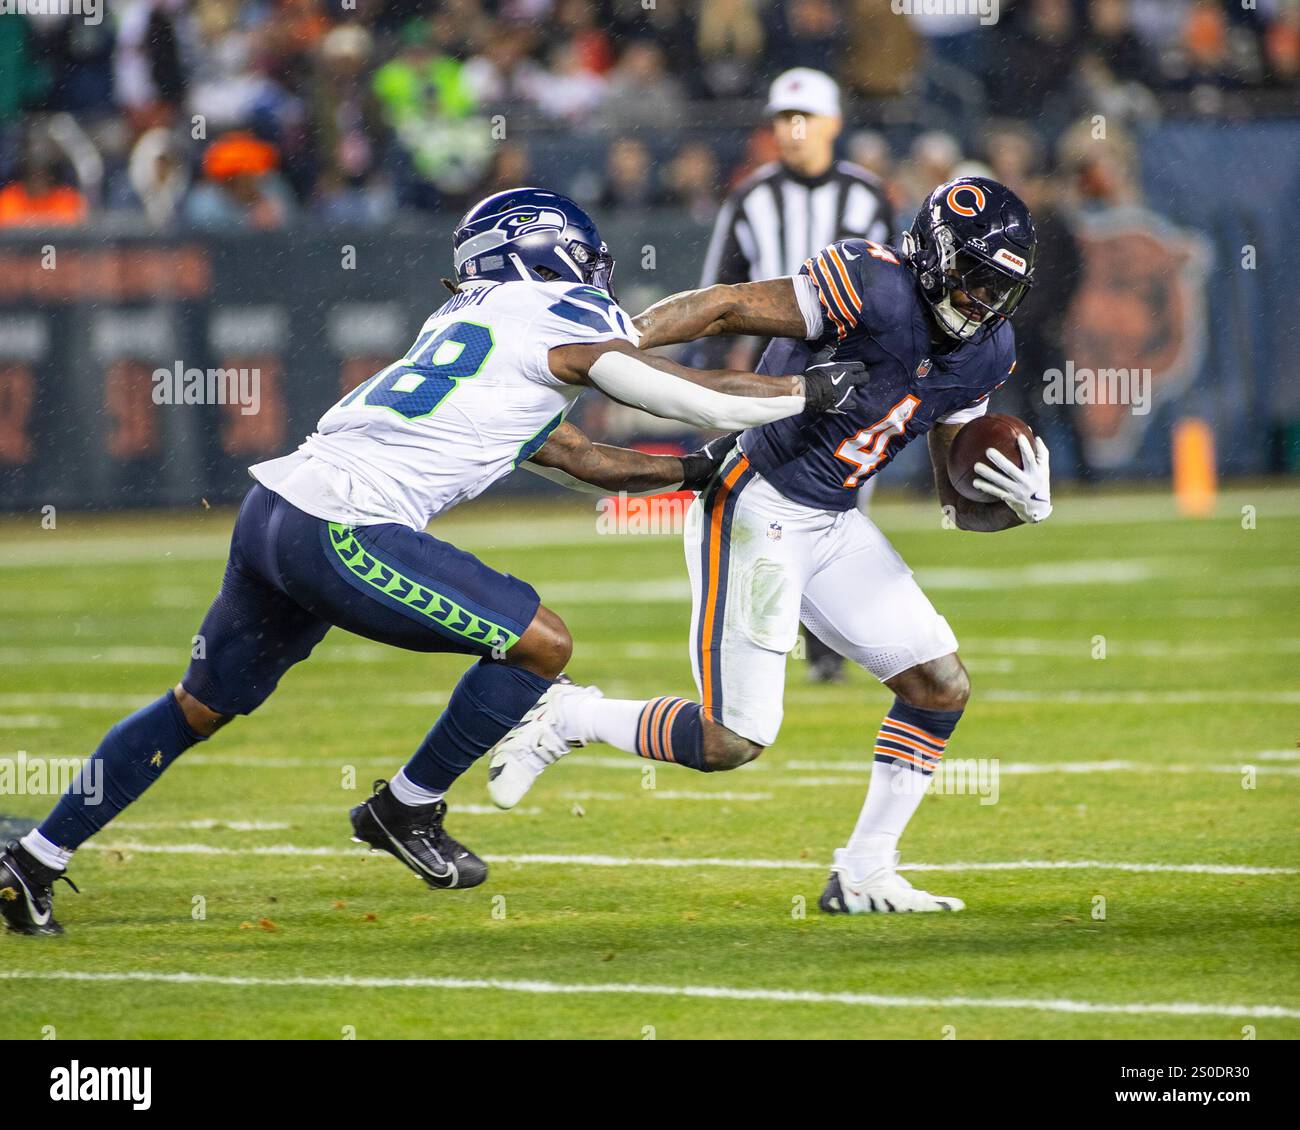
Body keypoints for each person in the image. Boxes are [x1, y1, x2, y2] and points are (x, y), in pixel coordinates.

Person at [0, 188, 870, 937]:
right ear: (547, 249)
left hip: (276, 510)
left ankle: (33, 862)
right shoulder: (561, 315)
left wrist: (685, 474)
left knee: (196, 707)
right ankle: (405, 807)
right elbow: (680, 393)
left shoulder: (467, 317)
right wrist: (804, 392)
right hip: (343, 524)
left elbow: (569, 454)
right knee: (542, 644)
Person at [485, 177, 1052, 916]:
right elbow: (724, 303)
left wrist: (1016, 507)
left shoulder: (988, 352)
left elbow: (958, 504)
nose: (987, 305)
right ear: (938, 259)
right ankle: (567, 717)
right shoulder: (875, 287)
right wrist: (613, 344)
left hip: (835, 519)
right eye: (976, 282)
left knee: (939, 687)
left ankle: (864, 872)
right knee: (732, 739)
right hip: (760, 497)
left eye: (1000, 290)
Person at [699, 66, 894, 681]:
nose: (795, 130)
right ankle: (771, 625)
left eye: (805, 118)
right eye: (784, 118)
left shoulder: (868, 195)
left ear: (834, 124)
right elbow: (718, 288)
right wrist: (712, 365)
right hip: (771, 365)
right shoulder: (751, 197)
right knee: (761, 488)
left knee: (842, 494)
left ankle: (825, 637)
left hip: (849, 364)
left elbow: (897, 288)